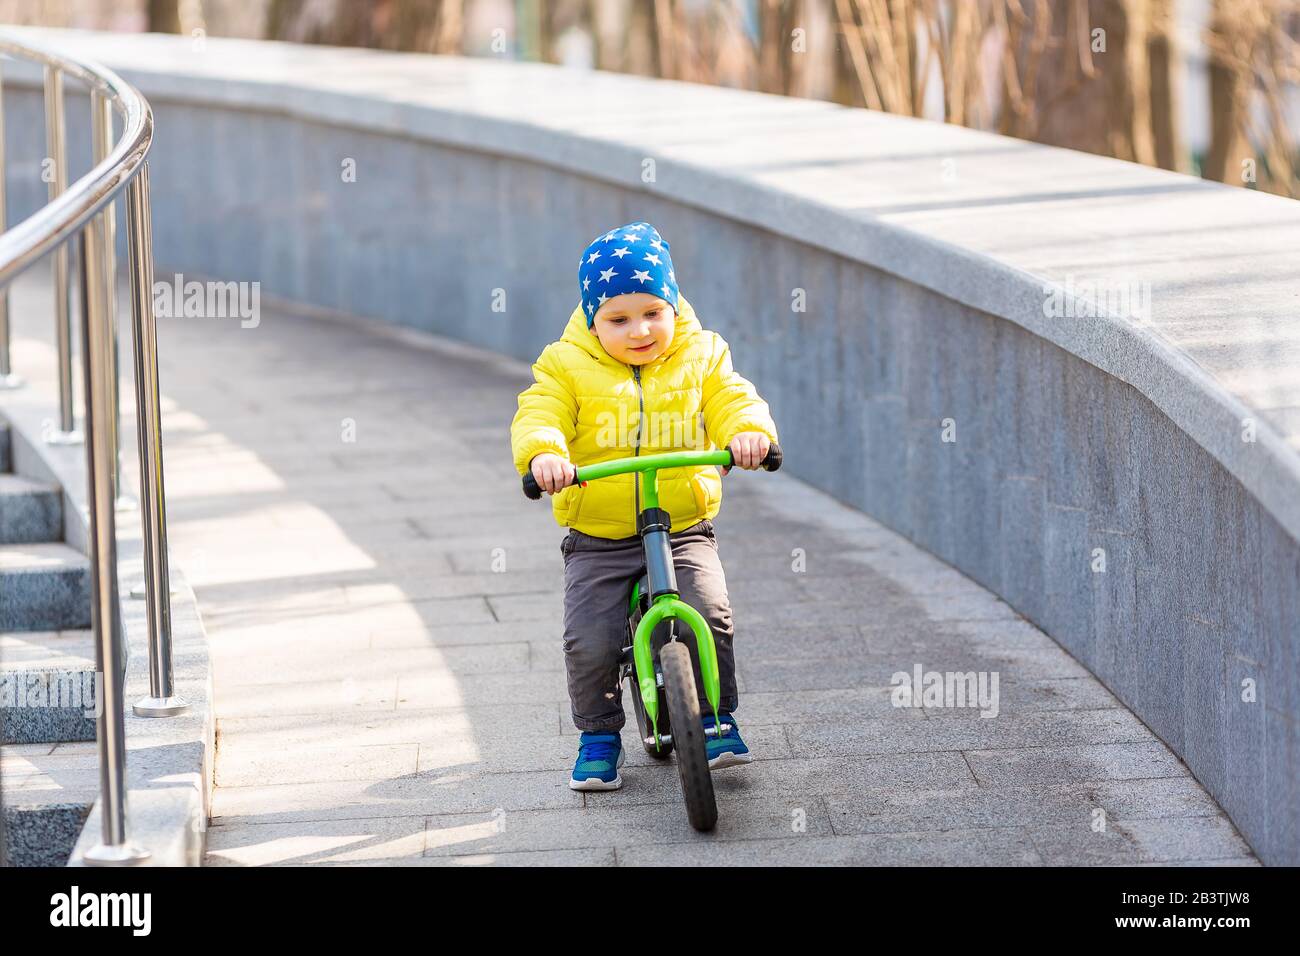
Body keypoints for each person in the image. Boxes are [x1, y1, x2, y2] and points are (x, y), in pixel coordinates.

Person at [510, 220, 779, 791]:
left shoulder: (702, 354)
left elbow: (732, 397)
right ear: (591, 318)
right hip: (600, 534)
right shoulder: (564, 364)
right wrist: (545, 456)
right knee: (591, 637)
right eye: (618, 319)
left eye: (654, 312)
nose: (640, 330)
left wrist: (748, 434)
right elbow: (541, 412)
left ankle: (714, 717)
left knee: (710, 610)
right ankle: (599, 734)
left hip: (682, 524)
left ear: (674, 305)